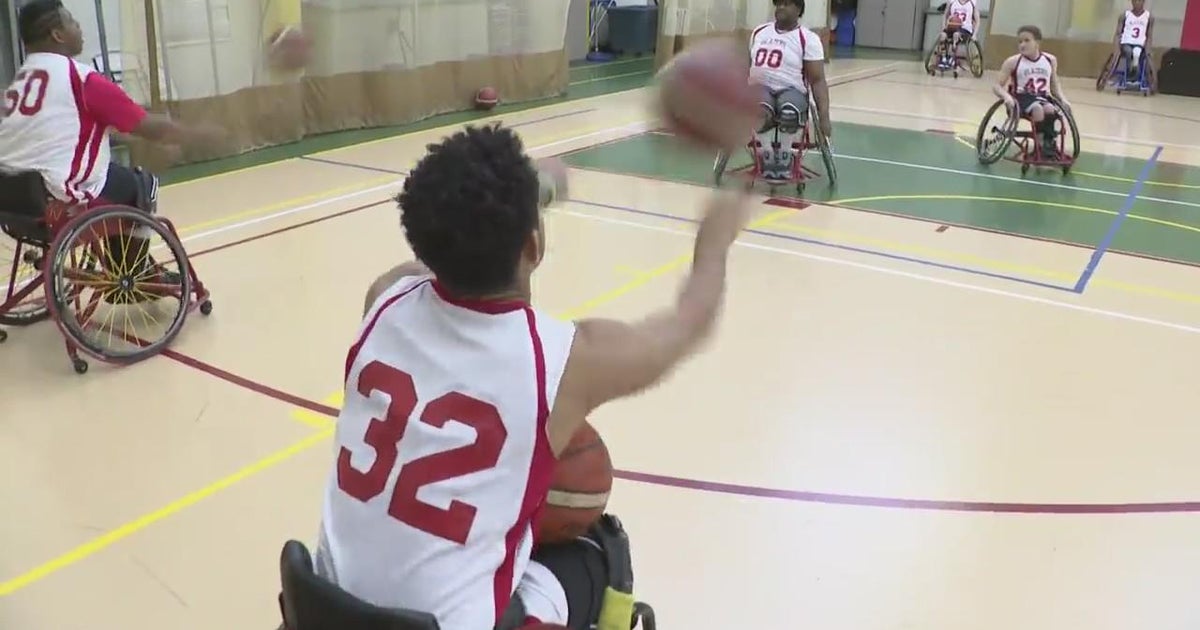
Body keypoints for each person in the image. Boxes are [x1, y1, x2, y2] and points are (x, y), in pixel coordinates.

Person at [311, 124, 749, 630]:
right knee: (598, 553)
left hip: (322, 608)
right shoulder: (563, 362)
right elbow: (687, 325)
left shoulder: (382, 301)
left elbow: (425, 262)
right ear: (533, 245)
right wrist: (715, 240)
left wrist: (517, 203)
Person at [0, 0, 222, 286]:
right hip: (60, 201)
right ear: (57, 34)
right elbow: (150, 127)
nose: (78, 28)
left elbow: (59, 133)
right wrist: (197, 133)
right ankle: (133, 275)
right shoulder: (82, 80)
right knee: (142, 184)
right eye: (71, 22)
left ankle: (126, 264)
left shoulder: (19, 83)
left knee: (114, 176)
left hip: (14, 201)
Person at [747, 0, 830, 181]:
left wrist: (824, 117)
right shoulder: (759, 32)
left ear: (799, 9)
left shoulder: (808, 39)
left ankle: (785, 154)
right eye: (779, 3)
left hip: (791, 90)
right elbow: (748, 66)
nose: (781, 7)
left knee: (789, 112)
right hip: (760, 87)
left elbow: (817, 81)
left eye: (787, 4)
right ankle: (767, 153)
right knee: (758, 108)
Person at [993, 25, 1072, 160]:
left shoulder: (1050, 60)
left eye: (1027, 40)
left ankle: (1048, 144)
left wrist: (1063, 99)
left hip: (1042, 96)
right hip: (1020, 98)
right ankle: (1039, 146)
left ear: (1037, 42)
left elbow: (1054, 84)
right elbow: (996, 86)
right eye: (1020, 42)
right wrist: (1006, 97)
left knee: (1050, 108)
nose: (1022, 44)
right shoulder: (1013, 61)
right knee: (1037, 109)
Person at [1112, 0, 1154, 84]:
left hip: (1139, 43)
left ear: (1143, 2)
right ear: (1132, 2)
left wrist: (1148, 48)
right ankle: (1129, 72)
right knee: (1128, 52)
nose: (1137, 3)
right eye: (1135, 1)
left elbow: (1149, 35)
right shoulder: (1125, 15)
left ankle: (1135, 73)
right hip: (1126, 42)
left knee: (1137, 53)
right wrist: (1116, 47)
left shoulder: (1149, 17)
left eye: (1139, 1)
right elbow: (1118, 33)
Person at [937, 0, 979, 66]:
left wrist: (975, 34)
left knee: (956, 35)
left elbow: (977, 21)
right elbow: (945, 15)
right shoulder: (952, 1)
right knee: (943, 36)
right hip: (952, 26)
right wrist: (943, 27)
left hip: (965, 28)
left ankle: (953, 58)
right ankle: (943, 58)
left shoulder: (972, 3)